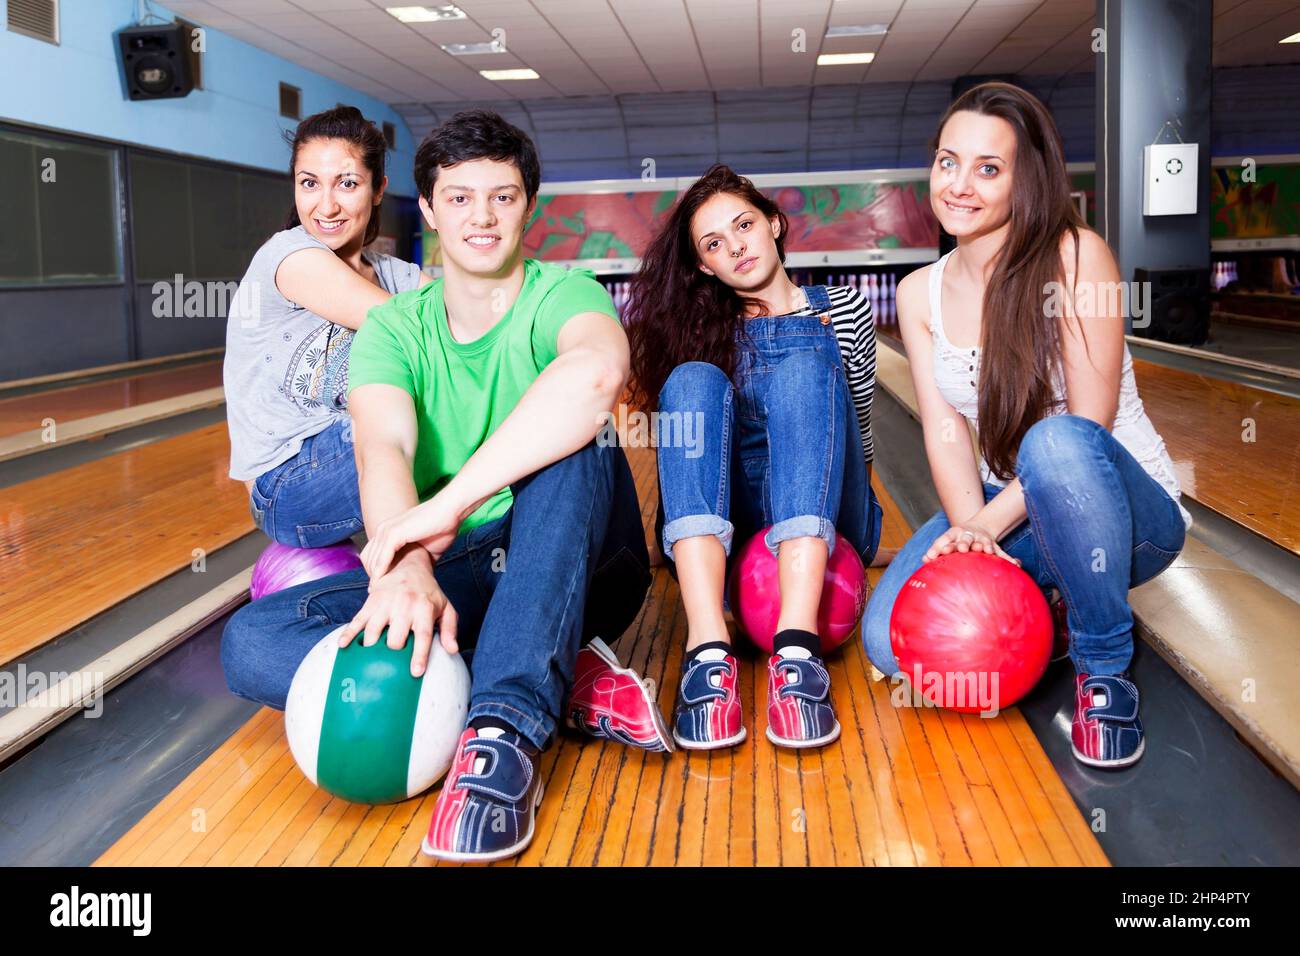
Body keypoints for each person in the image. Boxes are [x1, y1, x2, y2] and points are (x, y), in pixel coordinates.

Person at [222, 109, 669, 864]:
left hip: (577, 560)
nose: (482, 216)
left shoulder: (566, 295)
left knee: (573, 441)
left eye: (502, 195)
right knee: (253, 641)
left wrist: (441, 510)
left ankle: (501, 729)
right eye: (459, 198)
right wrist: (407, 567)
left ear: (529, 205)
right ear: (426, 208)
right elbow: (382, 445)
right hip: (463, 570)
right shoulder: (397, 327)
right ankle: (548, 664)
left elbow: (596, 374)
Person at [860, 82, 1191, 769]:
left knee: (1056, 441)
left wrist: (985, 528)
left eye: (988, 168)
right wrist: (968, 535)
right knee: (889, 643)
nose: (959, 185)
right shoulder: (918, 291)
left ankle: (1104, 673)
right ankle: (1053, 605)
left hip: (1125, 513)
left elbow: (1089, 421)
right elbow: (946, 429)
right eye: (948, 161)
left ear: (1026, 178)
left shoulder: (1076, 257)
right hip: (1008, 505)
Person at [625, 164, 882, 751]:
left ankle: (797, 653)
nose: (735, 245)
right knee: (690, 381)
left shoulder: (845, 308)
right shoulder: (697, 331)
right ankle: (709, 653)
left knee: (803, 370)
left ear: (772, 223)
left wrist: (862, 530)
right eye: (714, 243)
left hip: (826, 504)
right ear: (702, 265)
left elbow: (860, 433)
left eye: (744, 225)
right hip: (731, 520)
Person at [224, 106, 428, 549]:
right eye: (309, 183)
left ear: (378, 190)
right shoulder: (289, 257)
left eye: (348, 183)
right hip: (286, 487)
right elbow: (411, 328)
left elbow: (473, 322)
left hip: (353, 459)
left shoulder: (396, 275)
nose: (326, 205)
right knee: (412, 410)